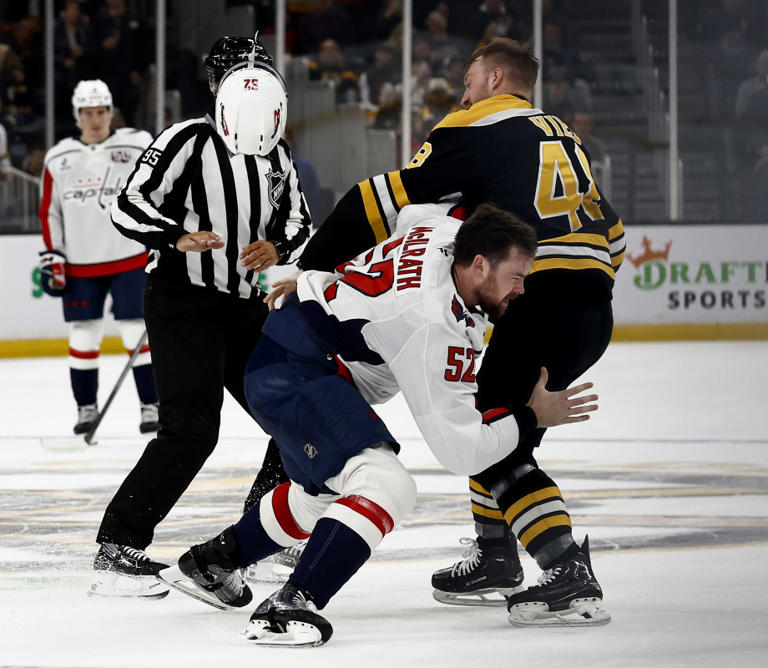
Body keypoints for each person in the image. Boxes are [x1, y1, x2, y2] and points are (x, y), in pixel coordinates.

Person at [274, 37, 625, 626]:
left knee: (482, 433)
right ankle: (495, 556)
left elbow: (375, 199)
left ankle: (565, 569)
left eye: (467, 83)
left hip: (532, 295)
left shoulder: (475, 126)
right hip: (593, 306)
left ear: (493, 79)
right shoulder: (566, 137)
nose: (460, 96)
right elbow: (612, 235)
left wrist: (313, 265)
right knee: (496, 419)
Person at [158, 202, 600, 646]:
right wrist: (532, 416)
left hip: (294, 353)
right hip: (300, 368)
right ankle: (289, 604)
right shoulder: (431, 325)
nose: (522, 290)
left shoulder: (444, 230)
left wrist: (322, 278)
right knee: (385, 484)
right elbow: (462, 451)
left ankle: (210, 562)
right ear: (479, 264)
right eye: (516, 277)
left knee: (324, 495)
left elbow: (404, 215)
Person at [89, 36, 311, 599]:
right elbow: (127, 203)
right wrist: (175, 234)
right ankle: (118, 544)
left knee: (293, 418)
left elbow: (299, 226)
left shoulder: (277, 152)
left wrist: (276, 249)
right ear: (216, 86)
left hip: (246, 306)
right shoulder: (185, 139)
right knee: (191, 431)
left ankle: (258, 535)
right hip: (182, 302)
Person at [38, 79, 158, 436]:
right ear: (77, 115)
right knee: (84, 335)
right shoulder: (58, 157)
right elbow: (49, 211)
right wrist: (52, 255)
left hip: (130, 256)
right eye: (88, 113)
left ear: (111, 111)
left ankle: (151, 405)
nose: (95, 119)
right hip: (79, 263)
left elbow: (160, 189)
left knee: (136, 330)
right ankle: (85, 408)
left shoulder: (137, 144)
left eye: (102, 111)